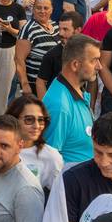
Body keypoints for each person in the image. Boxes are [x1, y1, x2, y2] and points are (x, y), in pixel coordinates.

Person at [42, 34, 100, 165]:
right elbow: (49, 161)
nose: (99, 67)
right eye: (94, 61)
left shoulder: (77, 91)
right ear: (75, 65)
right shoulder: (60, 106)